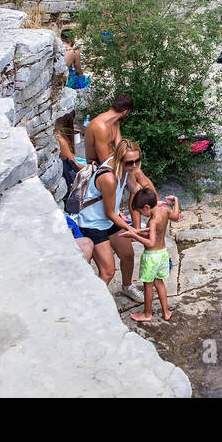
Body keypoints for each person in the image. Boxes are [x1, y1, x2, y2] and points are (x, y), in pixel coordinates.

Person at [70, 139, 149, 298]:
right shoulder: (108, 178)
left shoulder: (127, 170)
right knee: (108, 272)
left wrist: (156, 204)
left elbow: (137, 189)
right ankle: (92, 301)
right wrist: (131, 229)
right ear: (120, 160)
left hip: (109, 220)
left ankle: (127, 286)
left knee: (128, 255)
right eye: (129, 162)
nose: (133, 166)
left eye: (137, 161)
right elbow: (110, 213)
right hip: (92, 224)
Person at [127, 188, 180, 323]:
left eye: (140, 212)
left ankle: (147, 313)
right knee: (159, 282)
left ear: (146, 207)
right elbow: (176, 216)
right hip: (163, 253)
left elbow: (150, 243)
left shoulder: (153, 221)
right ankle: (166, 312)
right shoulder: (165, 211)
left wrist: (134, 235)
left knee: (148, 285)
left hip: (151, 257)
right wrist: (176, 201)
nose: (142, 215)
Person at [84, 94, 132, 167]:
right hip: (98, 167)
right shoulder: (100, 127)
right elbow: (104, 161)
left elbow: (120, 147)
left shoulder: (115, 122)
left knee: (136, 169)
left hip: (112, 160)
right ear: (125, 112)